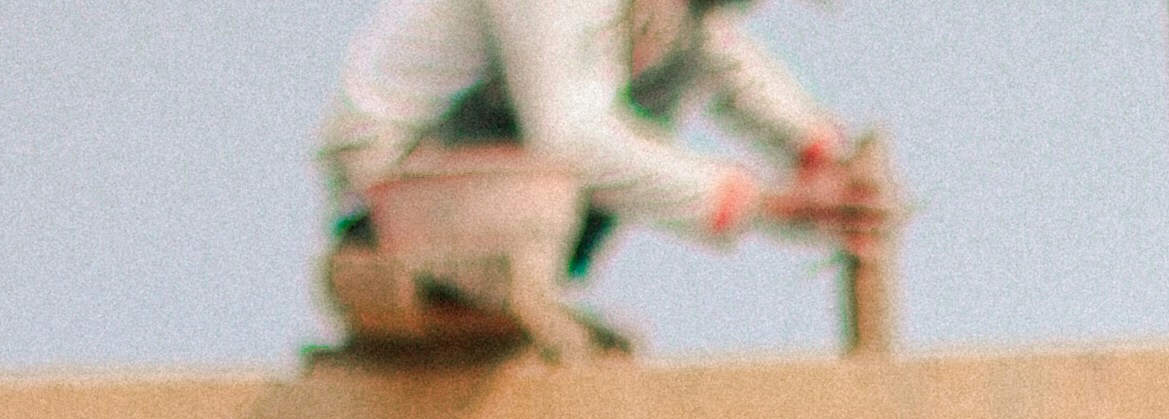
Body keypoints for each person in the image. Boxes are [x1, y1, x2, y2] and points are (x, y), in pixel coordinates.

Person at [322, 0, 854, 271]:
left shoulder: (679, 18)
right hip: (396, 194)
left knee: (670, 60)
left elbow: (718, 57)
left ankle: (536, 281)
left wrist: (819, 146)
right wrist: (762, 203)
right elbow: (571, 140)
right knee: (608, 129)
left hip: (471, 180)